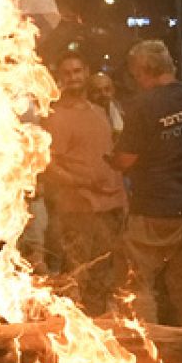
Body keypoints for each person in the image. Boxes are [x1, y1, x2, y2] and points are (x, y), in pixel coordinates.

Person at [108, 40, 182, 325]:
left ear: (144, 70)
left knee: (134, 280)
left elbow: (125, 160)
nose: (135, 80)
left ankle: (144, 342)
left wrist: (112, 159)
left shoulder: (144, 105)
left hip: (156, 208)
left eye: (135, 74)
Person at [40, 50, 128, 315]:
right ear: (60, 78)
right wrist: (82, 182)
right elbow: (48, 164)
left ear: (86, 73)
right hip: (77, 211)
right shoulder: (56, 116)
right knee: (78, 277)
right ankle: (76, 331)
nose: (73, 77)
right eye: (67, 73)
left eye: (77, 71)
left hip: (109, 208)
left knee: (103, 278)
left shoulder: (100, 112)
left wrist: (122, 199)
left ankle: (97, 330)